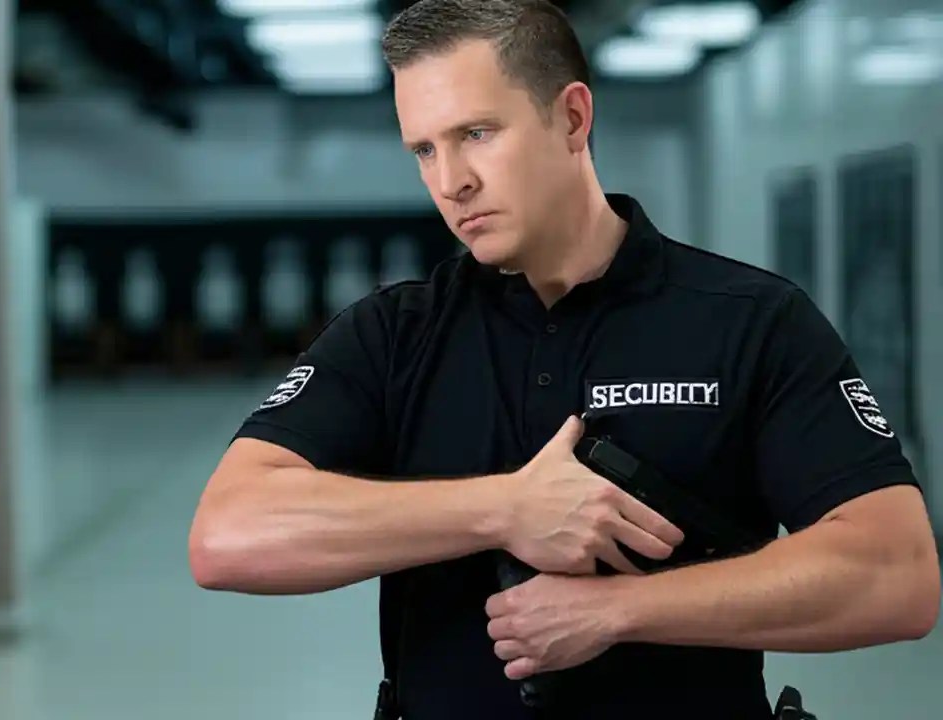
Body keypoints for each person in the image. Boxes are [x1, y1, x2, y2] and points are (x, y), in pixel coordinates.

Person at [187, 1, 941, 717]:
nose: (451, 181)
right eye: (425, 148)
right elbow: (228, 537)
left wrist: (620, 612)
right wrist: (504, 509)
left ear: (572, 117)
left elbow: (897, 575)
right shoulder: (394, 336)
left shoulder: (751, 323)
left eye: (478, 132)